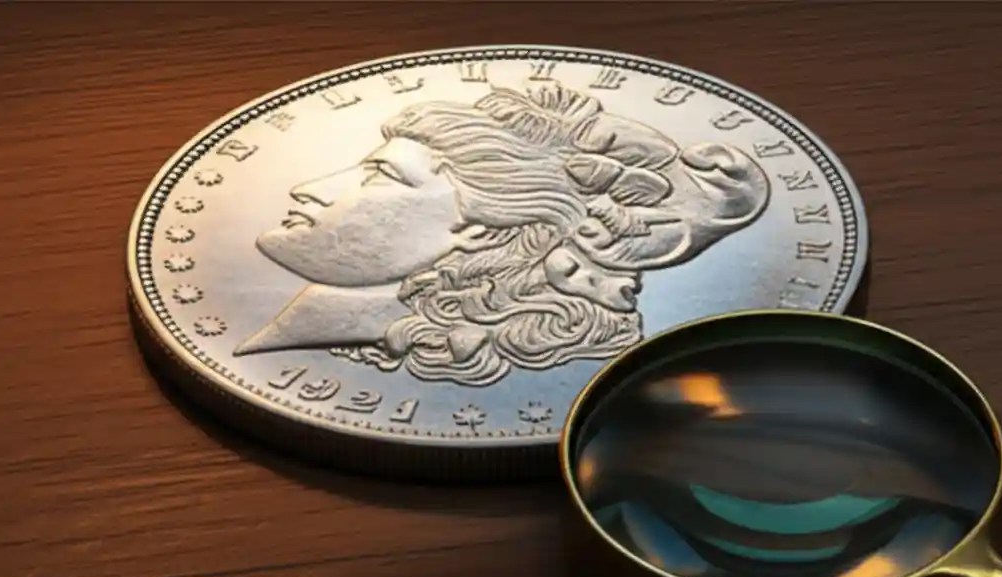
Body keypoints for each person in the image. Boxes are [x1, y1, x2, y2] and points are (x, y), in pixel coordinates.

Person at [236, 81, 771, 386]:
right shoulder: (322, 315)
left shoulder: (337, 323)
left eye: (382, 175)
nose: (309, 188)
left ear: (478, 231)